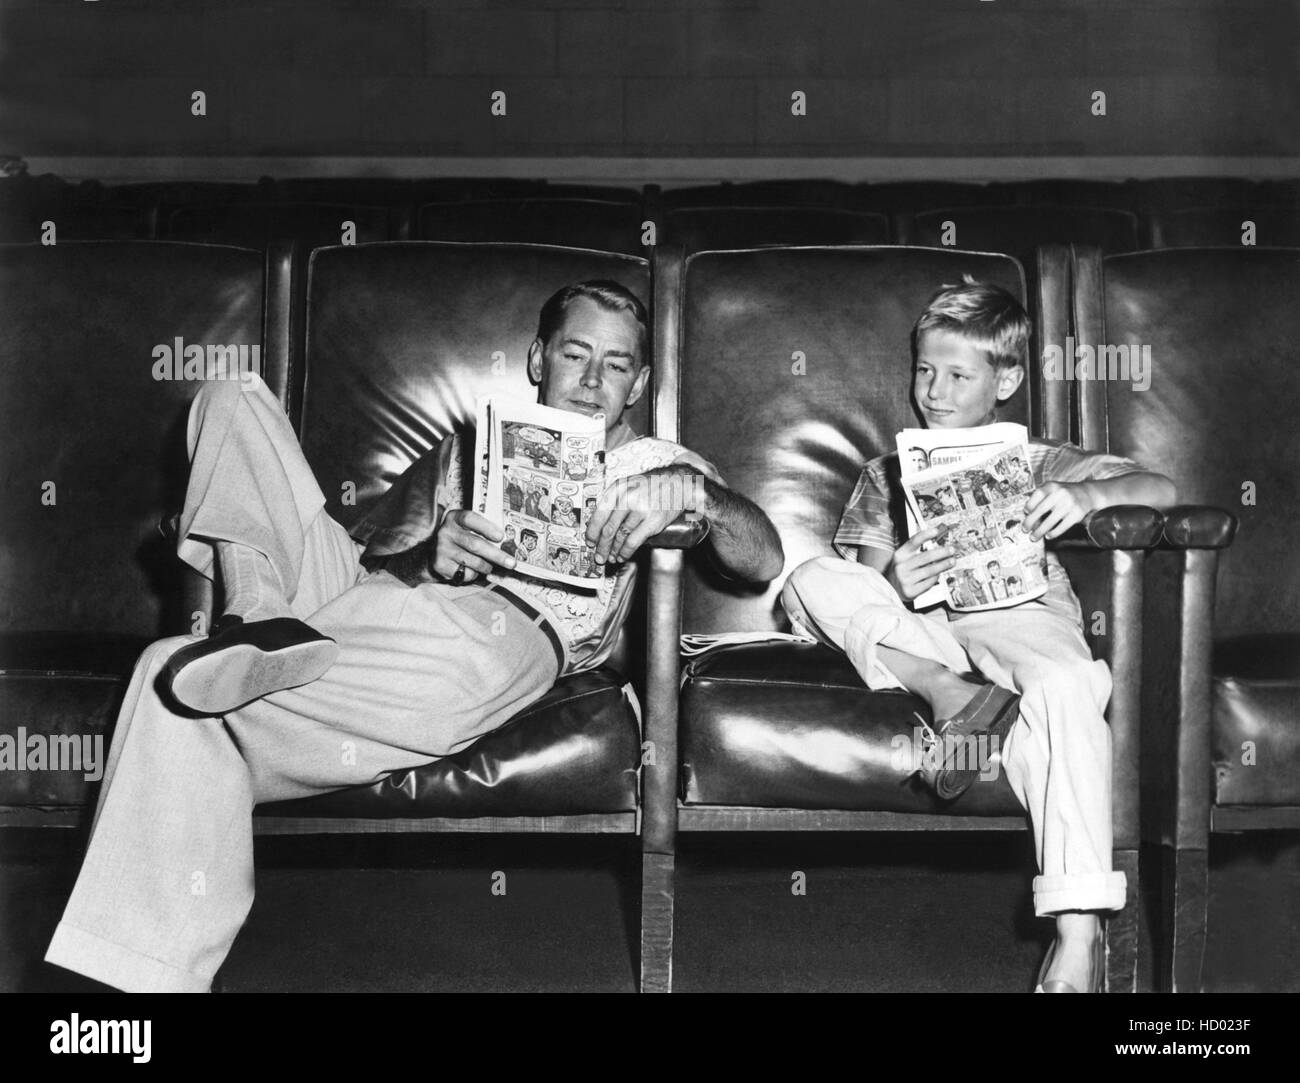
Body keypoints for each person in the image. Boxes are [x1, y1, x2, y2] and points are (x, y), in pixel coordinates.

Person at [44, 279, 784, 993]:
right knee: (232, 394)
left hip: (491, 634)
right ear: (537, 358)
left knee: (169, 673)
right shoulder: (471, 446)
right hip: (353, 601)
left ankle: (117, 996)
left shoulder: (659, 464)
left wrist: (701, 496)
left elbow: (764, 559)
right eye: (574, 353)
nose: (592, 379)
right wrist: (428, 553)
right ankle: (257, 614)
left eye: (616, 364)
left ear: (639, 381)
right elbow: (371, 564)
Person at [781, 277, 1175, 994]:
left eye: (958, 375)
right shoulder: (886, 471)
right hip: (925, 633)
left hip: (1017, 616)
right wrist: (898, 578)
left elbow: (1161, 489)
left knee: (1065, 684)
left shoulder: (1038, 458)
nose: (934, 390)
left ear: (1008, 379)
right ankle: (955, 696)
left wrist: (1083, 495)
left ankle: (1077, 935)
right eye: (925, 371)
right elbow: (861, 586)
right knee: (808, 576)